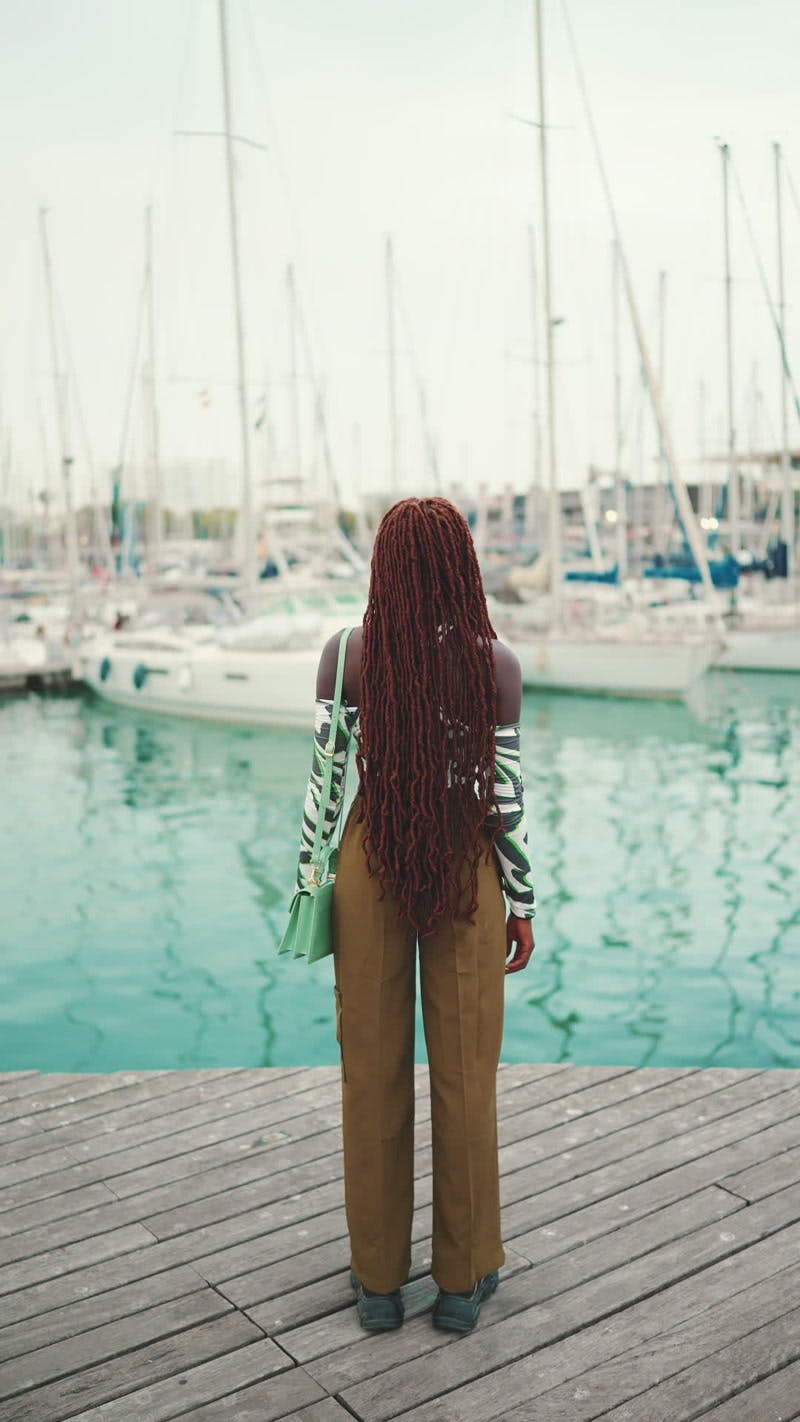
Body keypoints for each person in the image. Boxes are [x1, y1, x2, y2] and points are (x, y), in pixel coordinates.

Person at [293, 496, 536, 1335]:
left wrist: (308, 886)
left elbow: (325, 788)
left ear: (385, 565)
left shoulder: (348, 655)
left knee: (373, 1075)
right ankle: (464, 1285)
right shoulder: (494, 662)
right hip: (464, 869)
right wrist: (525, 904)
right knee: (467, 1075)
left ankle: (379, 1283)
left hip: (373, 864)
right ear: (461, 564)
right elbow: (503, 800)